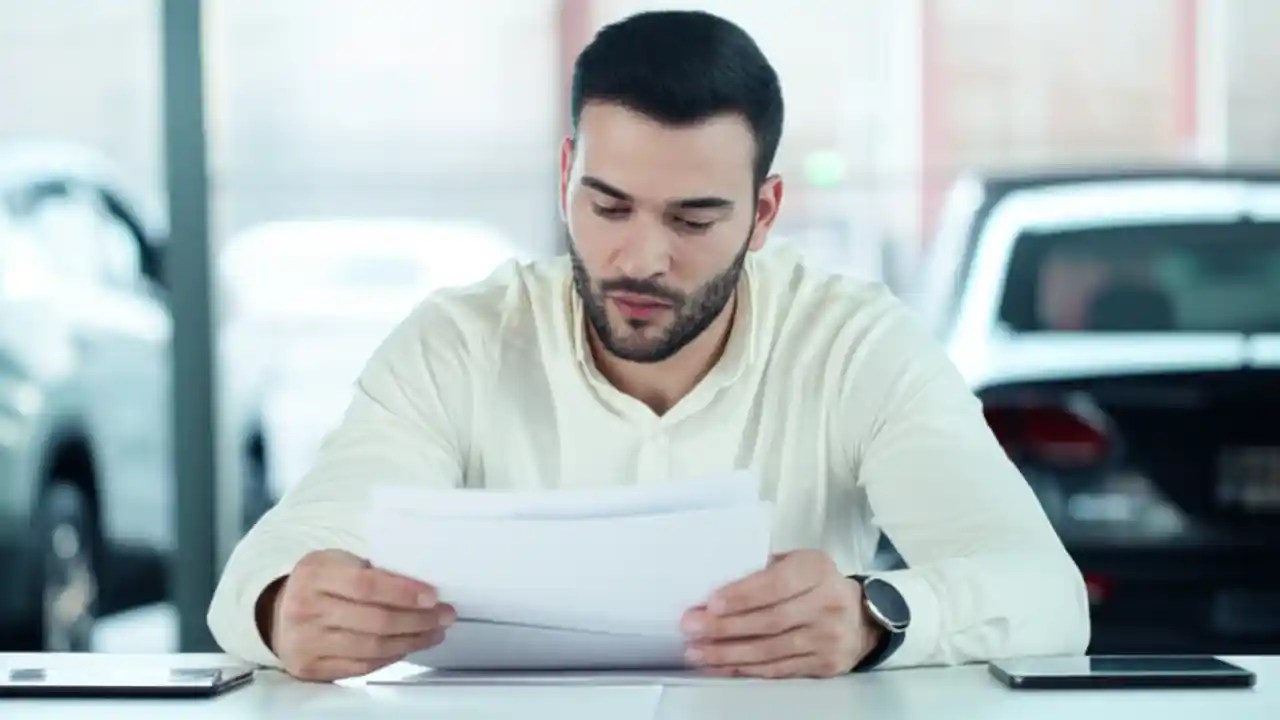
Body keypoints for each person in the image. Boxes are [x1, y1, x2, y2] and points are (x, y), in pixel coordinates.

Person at [208, 10, 1090, 682]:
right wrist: (289, 608)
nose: (640, 258)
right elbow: (257, 574)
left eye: (692, 218)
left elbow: (1045, 595)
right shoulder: (458, 344)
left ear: (765, 212)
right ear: (565, 177)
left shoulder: (855, 345)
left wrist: (879, 615)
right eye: (608, 205)